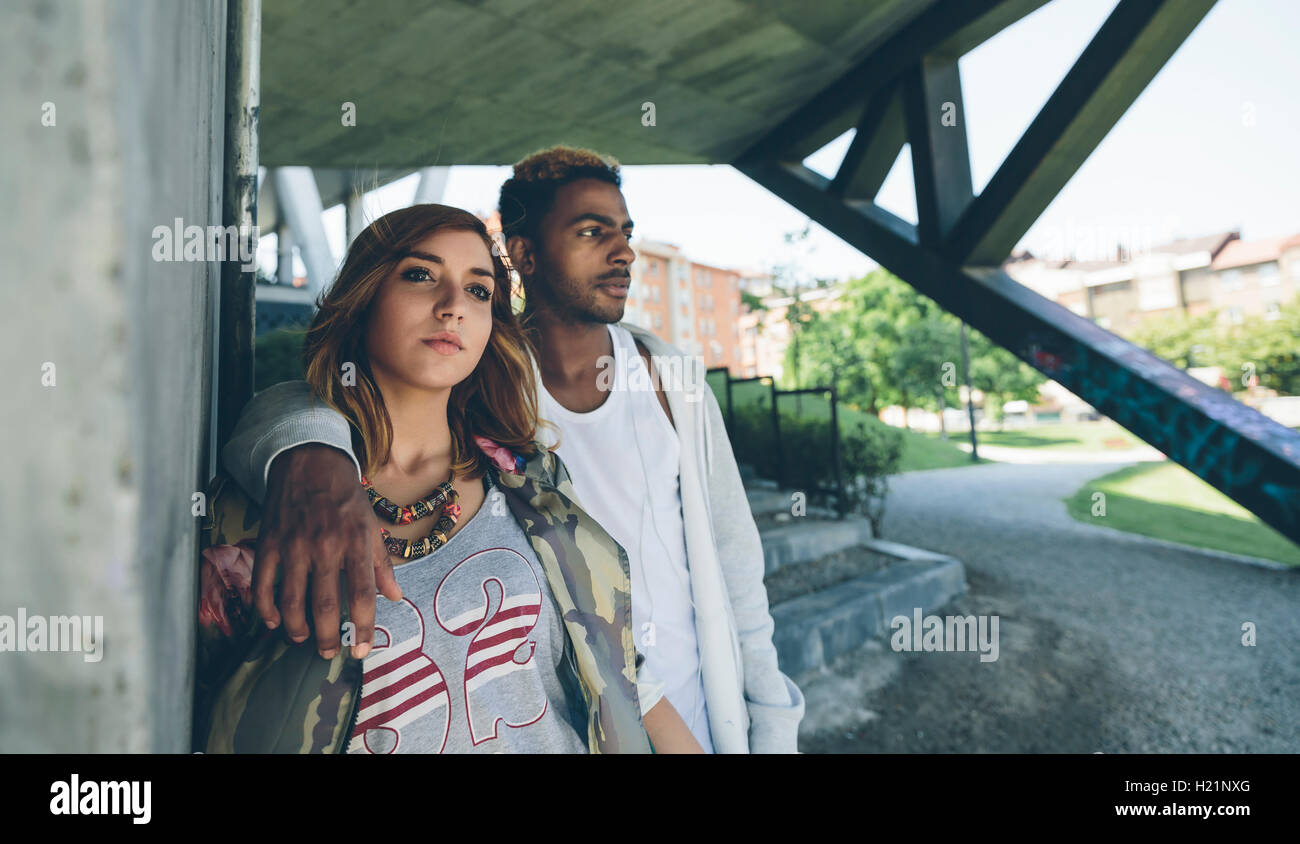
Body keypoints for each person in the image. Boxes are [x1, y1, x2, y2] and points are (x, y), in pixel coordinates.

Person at [222, 147, 805, 753]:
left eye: (477, 290)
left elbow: (736, 568)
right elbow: (306, 404)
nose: (624, 251)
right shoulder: (483, 403)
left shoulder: (660, 388)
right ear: (525, 254)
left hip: (686, 716)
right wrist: (309, 453)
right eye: (591, 231)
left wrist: (774, 725)